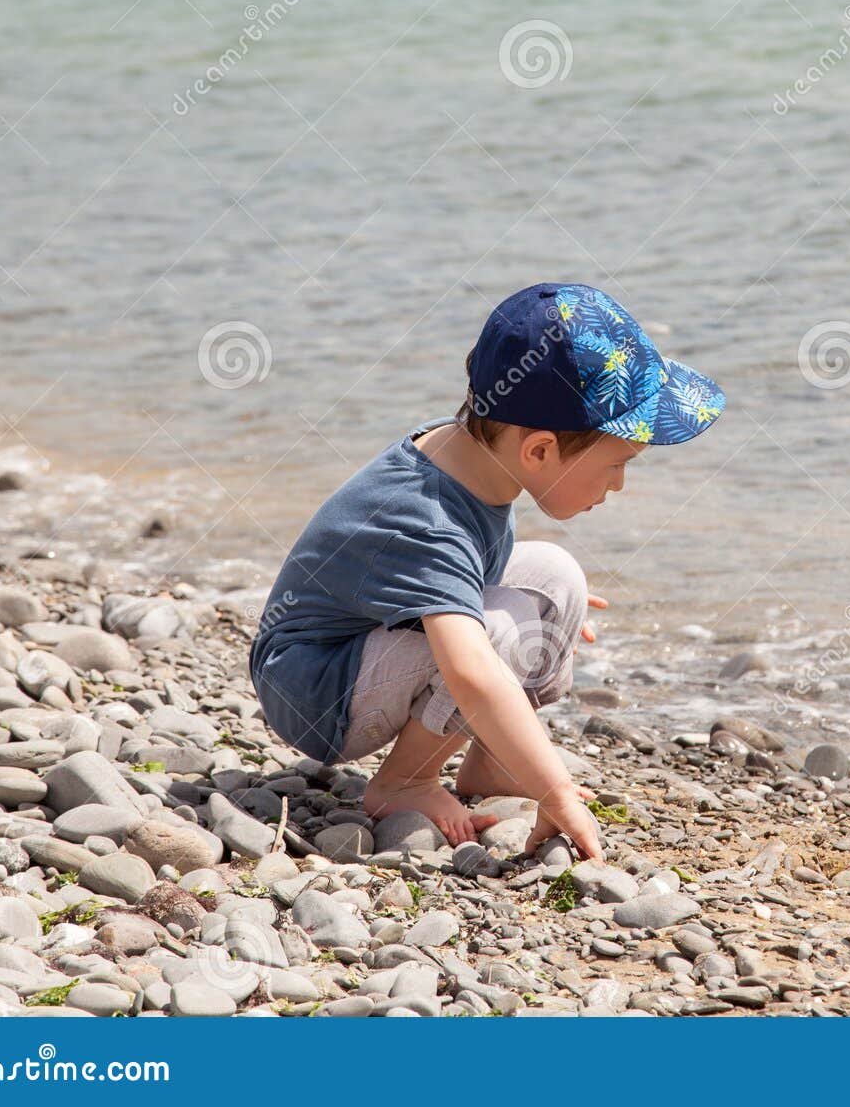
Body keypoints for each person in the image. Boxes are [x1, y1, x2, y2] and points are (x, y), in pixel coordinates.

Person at [249, 282, 726, 864]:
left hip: (363, 652)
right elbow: (472, 671)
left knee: (555, 573)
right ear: (539, 451)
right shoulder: (426, 520)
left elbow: (463, 575)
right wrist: (557, 793)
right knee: (495, 638)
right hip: (314, 688)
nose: (619, 484)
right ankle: (403, 782)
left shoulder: (476, 444)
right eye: (617, 464)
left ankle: (492, 763)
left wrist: (552, 600)